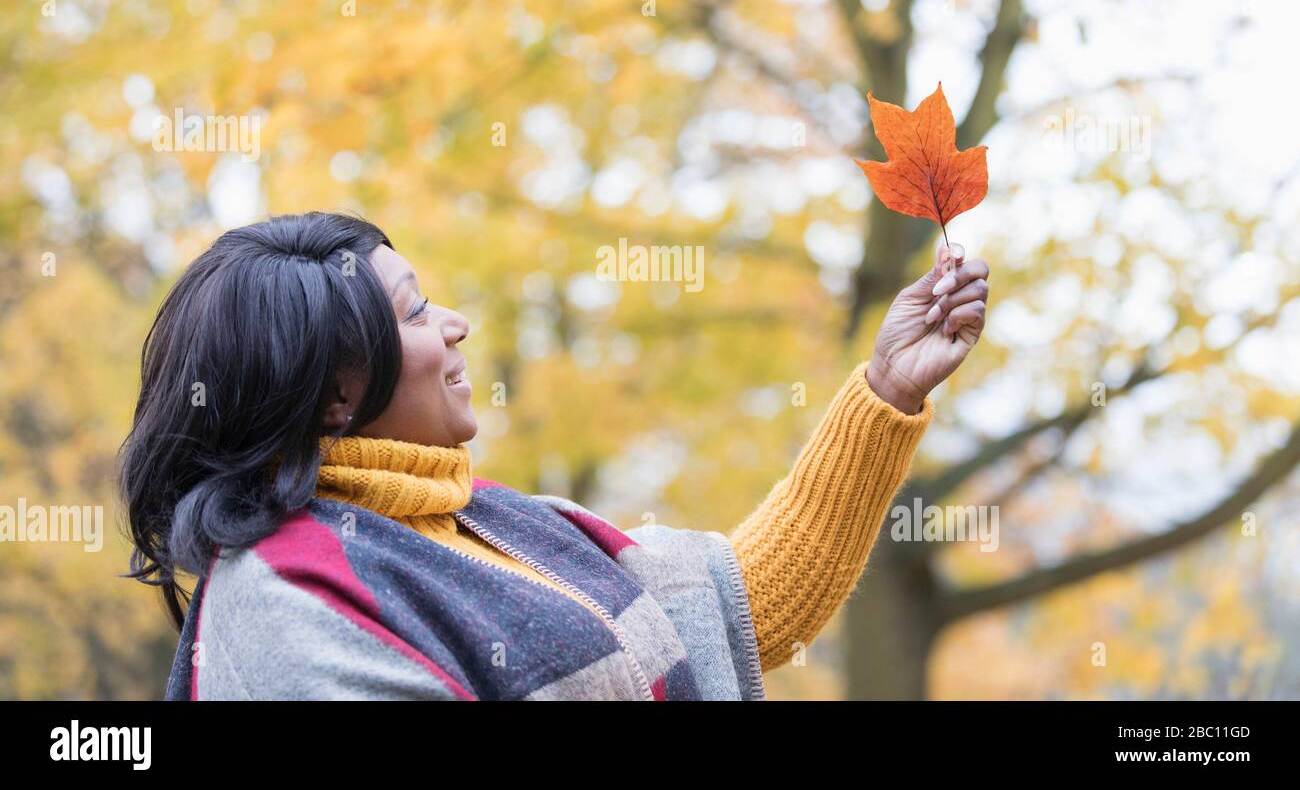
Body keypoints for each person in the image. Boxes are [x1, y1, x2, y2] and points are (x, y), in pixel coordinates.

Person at [117, 211, 989, 699]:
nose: (455, 324)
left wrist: (886, 392)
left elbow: (744, 608)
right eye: (417, 312)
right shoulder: (292, 596)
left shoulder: (498, 524)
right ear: (338, 392)